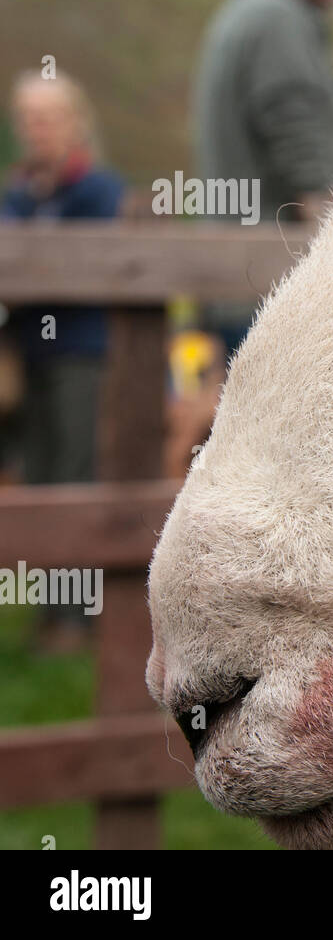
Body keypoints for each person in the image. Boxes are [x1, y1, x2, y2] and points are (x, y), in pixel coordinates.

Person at [191, 0, 333, 351]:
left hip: (238, 289)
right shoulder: (276, 19)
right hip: (274, 299)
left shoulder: (246, 11)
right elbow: (316, 179)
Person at [1, 71, 123, 652]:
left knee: (75, 476)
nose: (36, 129)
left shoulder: (96, 190)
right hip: (30, 355)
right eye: (27, 118)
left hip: (81, 355)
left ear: (74, 121)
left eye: (47, 117)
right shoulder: (20, 194)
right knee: (42, 478)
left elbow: (71, 269)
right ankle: (53, 614)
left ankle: (78, 620)